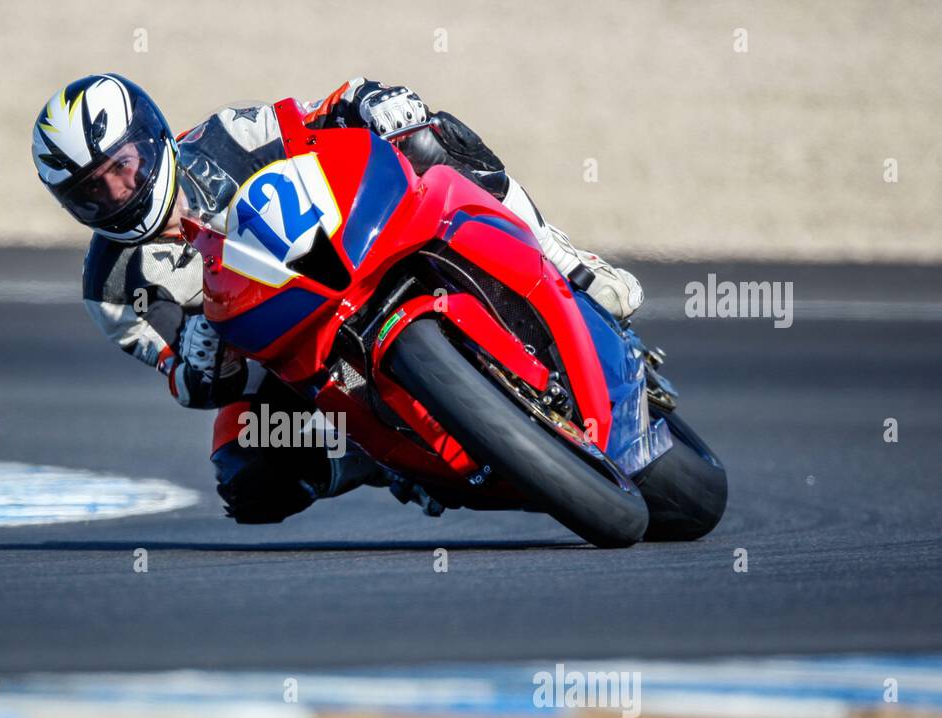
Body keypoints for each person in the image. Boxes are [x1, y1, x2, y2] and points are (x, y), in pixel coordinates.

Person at [32, 73, 644, 523]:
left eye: (124, 165)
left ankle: (562, 256)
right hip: (289, 355)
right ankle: (374, 458)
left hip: (358, 246)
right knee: (247, 473)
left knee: (429, 136)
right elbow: (195, 388)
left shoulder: (224, 137)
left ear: (150, 138)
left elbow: (325, 111)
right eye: (93, 191)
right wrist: (198, 354)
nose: (118, 189)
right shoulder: (112, 288)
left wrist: (374, 100)